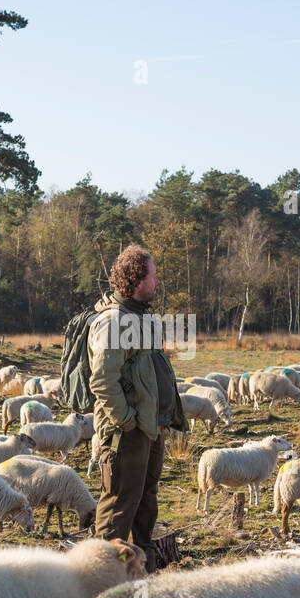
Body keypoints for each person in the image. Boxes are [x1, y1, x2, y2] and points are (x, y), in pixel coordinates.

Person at [88, 245, 185, 572]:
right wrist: (126, 420)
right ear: (136, 279)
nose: (158, 281)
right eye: (153, 275)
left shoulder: (141, 317)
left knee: (145, 502)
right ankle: (102, 578)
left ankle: (144, 573)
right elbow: (102, 379)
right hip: (126, 434)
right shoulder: (114, 321)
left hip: (150, 428)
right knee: (119, 506)